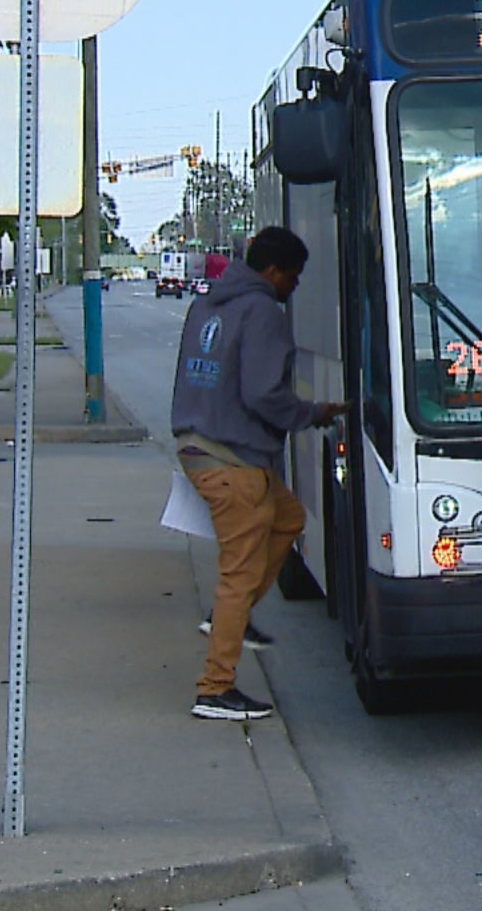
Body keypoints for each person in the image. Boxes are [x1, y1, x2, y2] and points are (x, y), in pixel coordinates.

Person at [170, 225, 350, 720]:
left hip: (198, 446)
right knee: (238, 573)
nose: (295, 286)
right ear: (272, 271)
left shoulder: (207, 304)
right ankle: (215, 687)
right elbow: (263, 395)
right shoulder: (263, 313)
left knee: (288, 518)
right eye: (293, 276)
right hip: (233, 461)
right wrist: (312, 413)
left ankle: (235, 616)